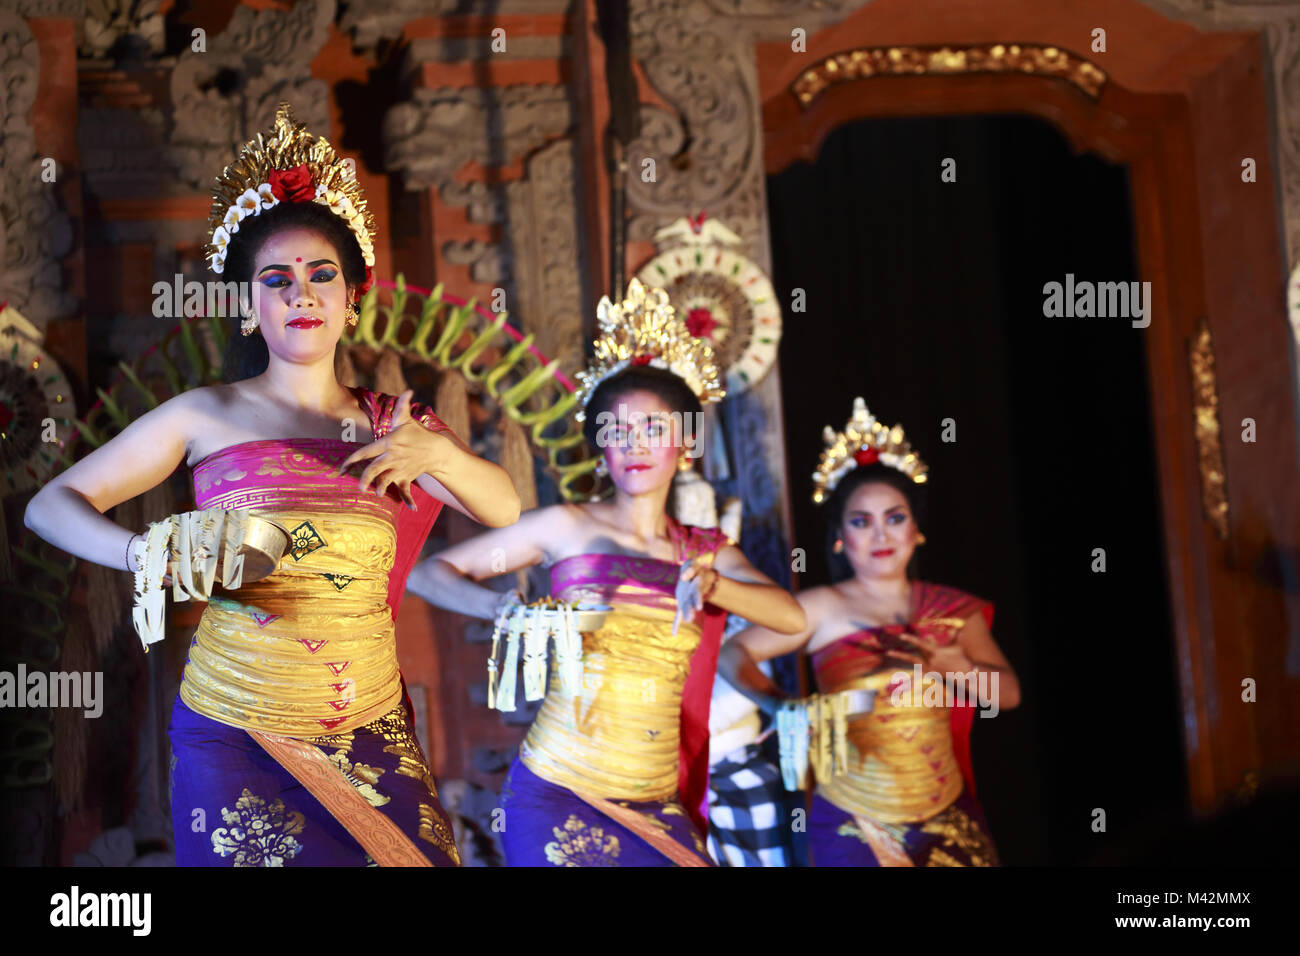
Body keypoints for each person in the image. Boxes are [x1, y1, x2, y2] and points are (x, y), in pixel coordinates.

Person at [23, 104, 520, 867]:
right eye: (277, 279)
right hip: (236, 729)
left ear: (352, 299)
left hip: (370, 727)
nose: (302, 293)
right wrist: (147, 552)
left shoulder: (396, 425)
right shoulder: (205, 414)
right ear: (251, 308)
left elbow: (505, 508)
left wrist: (439, 455)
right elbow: (49, 504)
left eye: (323, 275)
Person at [406, 279, 805, 865]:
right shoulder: (564, 526)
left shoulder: (705, 550)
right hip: (557, 789)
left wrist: (718, 587)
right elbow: (426, 574)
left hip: (655, 797)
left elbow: (791, 617)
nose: (635, 445)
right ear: (600, 448)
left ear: (684, 446)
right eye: (617, 431)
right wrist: (501, 608)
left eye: (654, 429)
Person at [719, 398, 1019, 866]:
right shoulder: (819, 607)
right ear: (840, 537)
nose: (881, 535)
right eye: (861, 522)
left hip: (946, 814)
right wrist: (782, 707)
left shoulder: (954, 609)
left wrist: (947, 663)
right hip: (853, 821)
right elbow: (732, 653)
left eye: (894, 518)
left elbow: (1006, 696)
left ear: (916, 530)